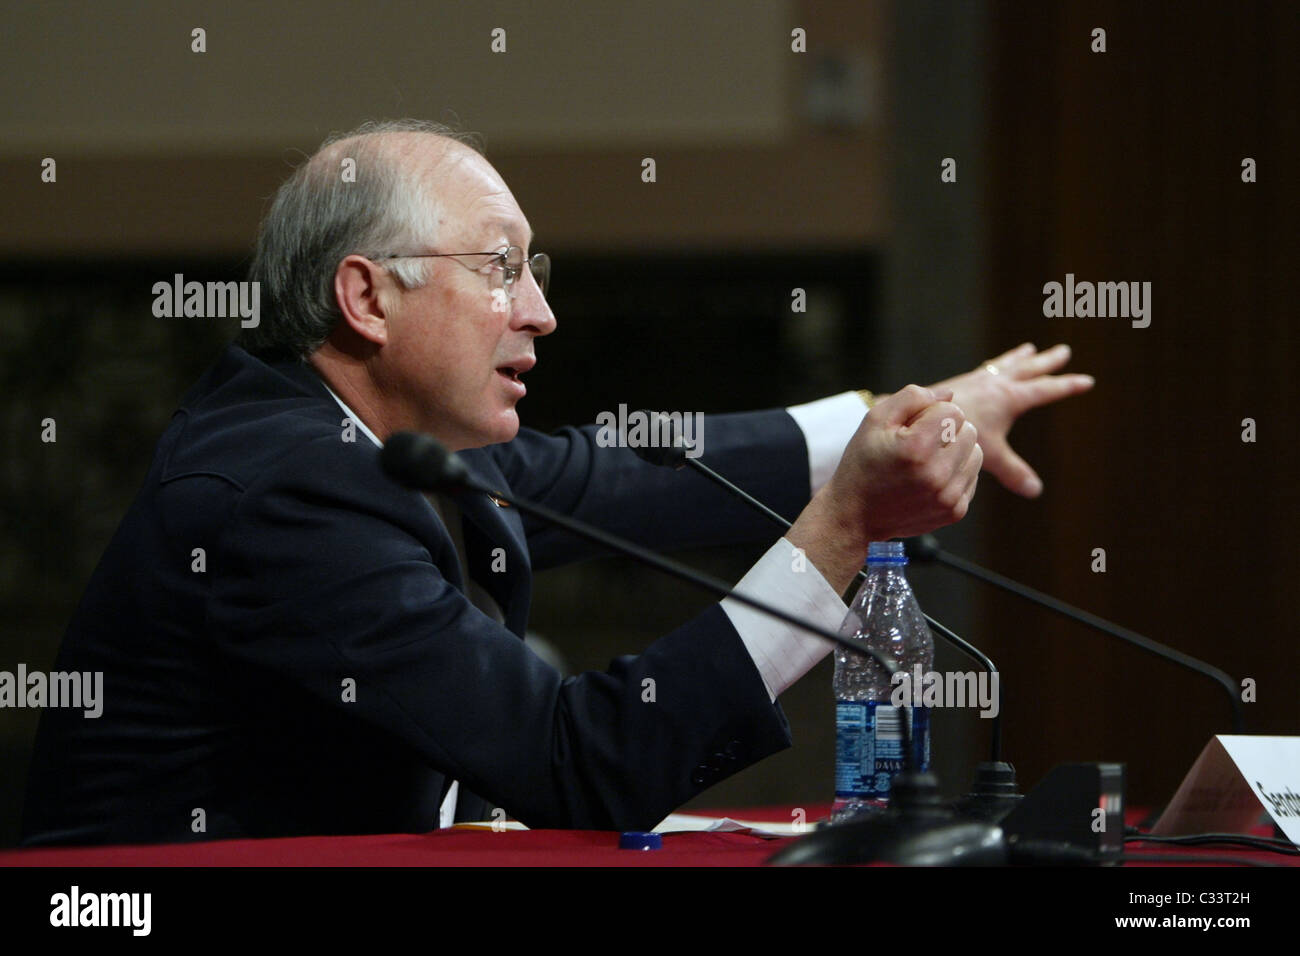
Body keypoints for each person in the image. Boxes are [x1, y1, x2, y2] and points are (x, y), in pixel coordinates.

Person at [21, 120, 1092, 845]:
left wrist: (891, 415)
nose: (539, 312)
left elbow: (623, 477)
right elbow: (579, 758)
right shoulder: (287, 489)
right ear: (366, 296)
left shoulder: (371, 437)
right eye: (499, 268)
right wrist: (846, 528)